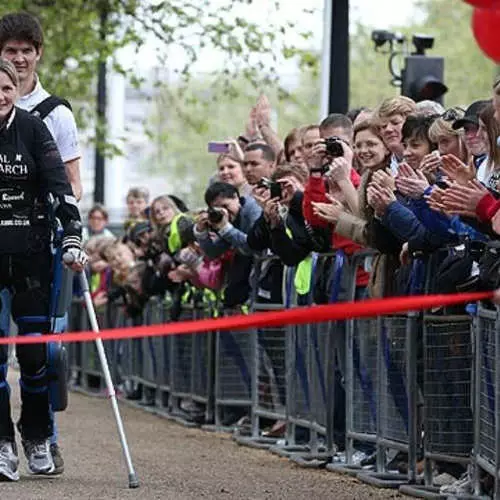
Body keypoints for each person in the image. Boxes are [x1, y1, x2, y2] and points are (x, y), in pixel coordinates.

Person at [0, 59, 85, 481]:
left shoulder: (34, 128)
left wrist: (72, 235)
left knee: (35, 355)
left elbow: (61, 188)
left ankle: (36, 436)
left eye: (5, 88)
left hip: (32, 257)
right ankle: (1, 444)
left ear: (15, 89)